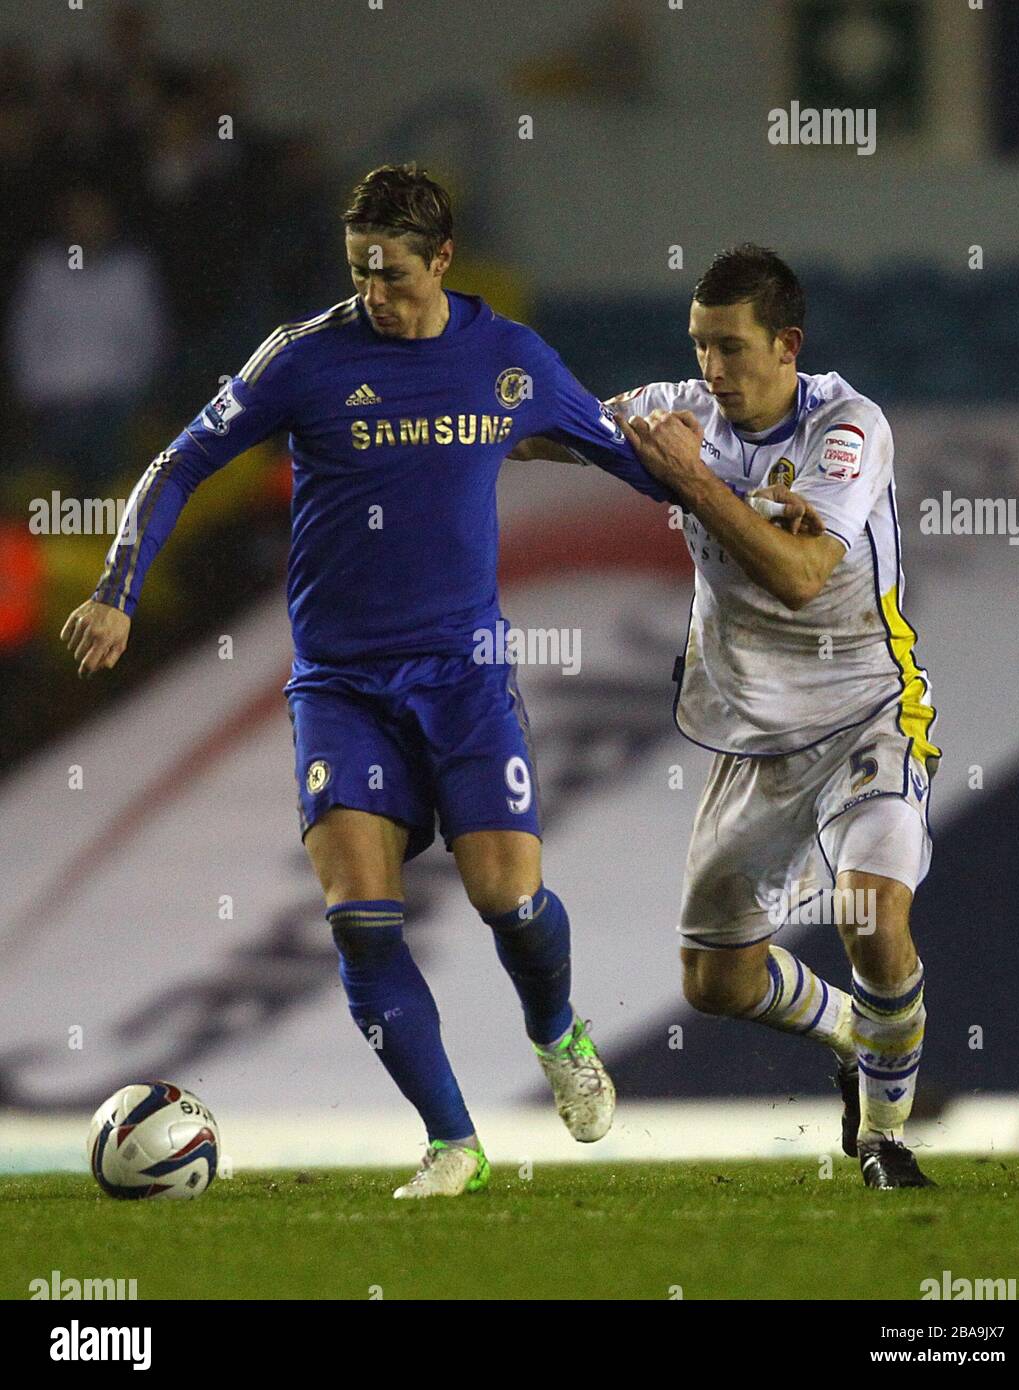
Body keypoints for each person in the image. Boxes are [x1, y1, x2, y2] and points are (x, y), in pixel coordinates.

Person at [60, 164, 674, 1198]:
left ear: (442, 260)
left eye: (390, 275)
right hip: (340, 685)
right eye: (357, 273)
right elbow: (179, 462)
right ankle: (451, 1142)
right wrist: (120, 588)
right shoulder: (304, 359)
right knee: (358, 915)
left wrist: (745, 497)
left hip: (464, 679)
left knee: (507, 900)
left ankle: (555, 1029)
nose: (372, 295)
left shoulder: (509, 361)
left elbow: (630, 458)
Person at [517, 244, 939, 1188]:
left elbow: (798, 577)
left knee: (871, 918)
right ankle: (850, 1034)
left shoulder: (845, 428)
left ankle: (884, 1140)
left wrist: (693, 480)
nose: (713, 369)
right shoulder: (681, 413)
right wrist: (435, 418)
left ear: (786, 345)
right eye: (700, 347)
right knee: (716, 985)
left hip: (868, 713)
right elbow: (541, 430)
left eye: (732, 348)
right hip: (753, 741)